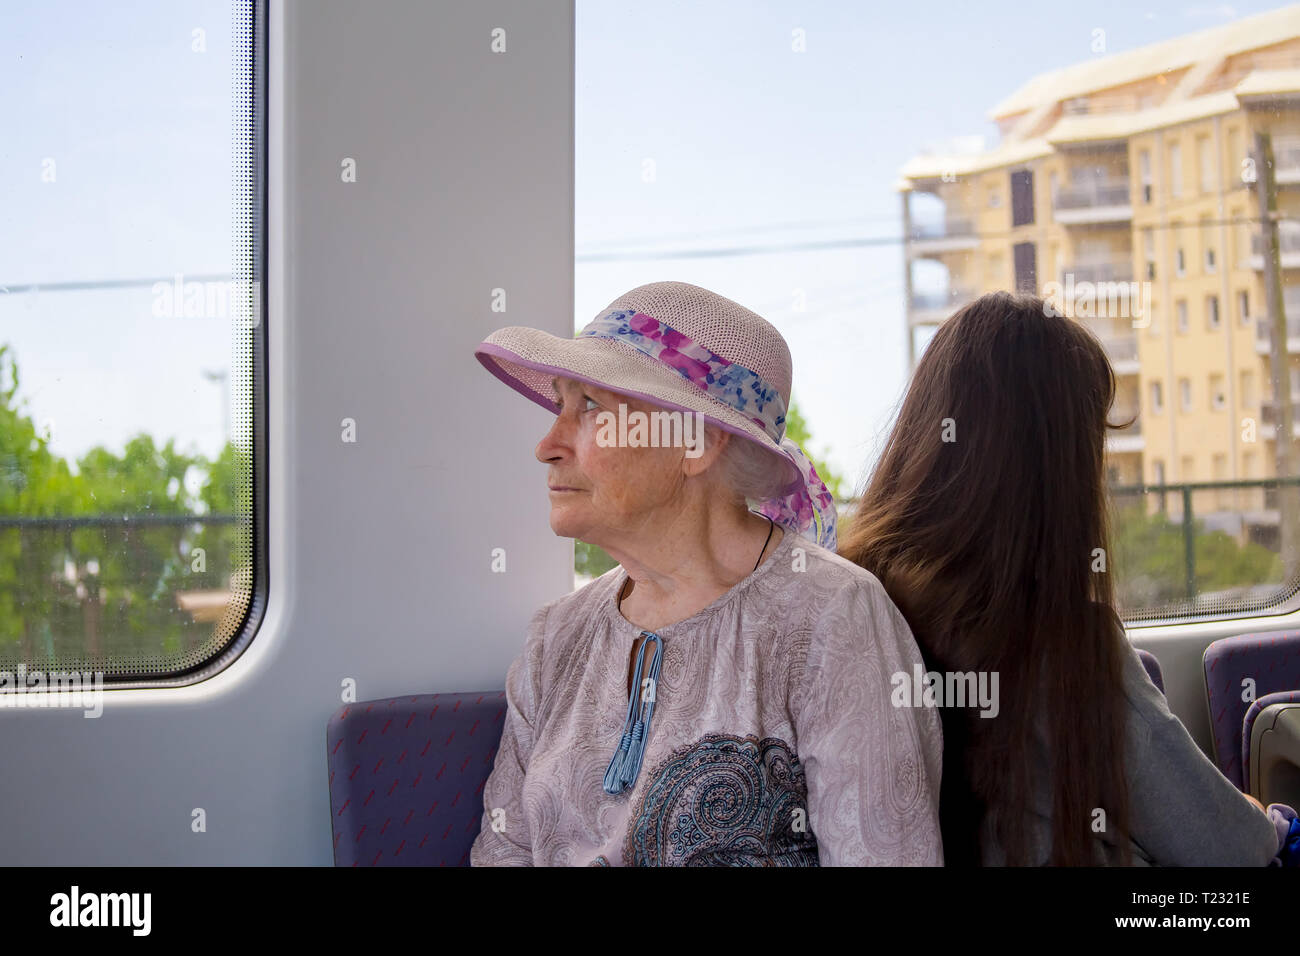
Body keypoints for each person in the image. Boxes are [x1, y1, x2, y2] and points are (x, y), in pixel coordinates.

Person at [468, 280, 942, 866]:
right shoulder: (555, 638)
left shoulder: (832, 616)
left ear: (696, 441)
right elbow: (502, 854)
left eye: (589, 406)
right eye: (560, 405)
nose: (547, 445)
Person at [839, 289, 1297, 866]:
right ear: (1060, 470)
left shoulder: (859, 602)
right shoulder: (1064, 644)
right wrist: (1266, 818)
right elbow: (1228, 847)